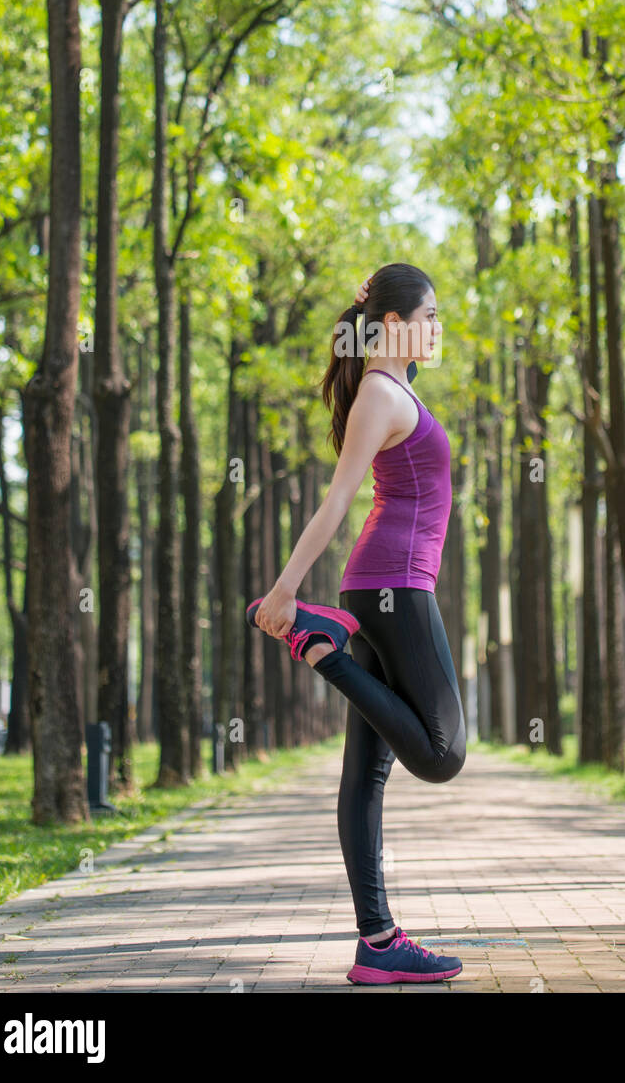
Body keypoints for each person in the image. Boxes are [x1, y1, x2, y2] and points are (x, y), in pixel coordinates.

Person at [246, 262, 466, 986]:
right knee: (438, 755)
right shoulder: (379, 391)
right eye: (429, 314)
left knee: (364, 777)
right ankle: (321, 644)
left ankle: (376, 943)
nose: (438, 327)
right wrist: (285, 591)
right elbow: (338, 499)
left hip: (382, 587)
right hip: (393, 588)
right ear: (397, 324)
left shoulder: (393, 386)